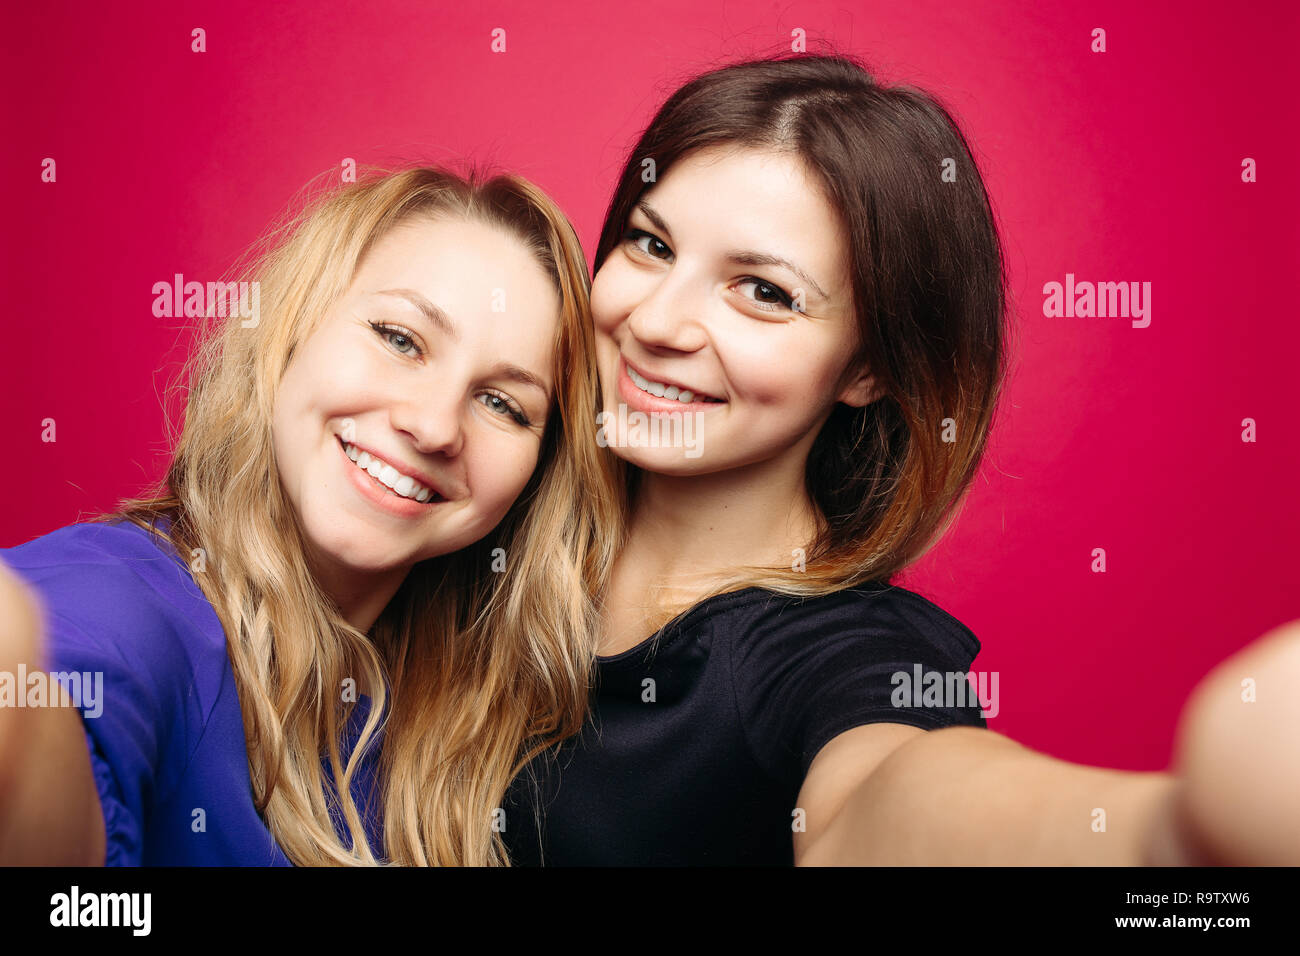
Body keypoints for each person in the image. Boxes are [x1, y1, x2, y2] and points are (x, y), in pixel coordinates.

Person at [501, 51, 1300, 866]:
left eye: (765, 292)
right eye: (651, 245)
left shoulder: (846, 658)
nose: (659, 321)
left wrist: (1161, 839)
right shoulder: (492, 508)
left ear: (868, 368)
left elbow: (890, 791)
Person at [0, 166, 621, 866]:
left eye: (504, 404)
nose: (434, 425)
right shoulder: (122, 607)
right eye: (400, 338)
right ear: (290, 331)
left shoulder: (446, 735)